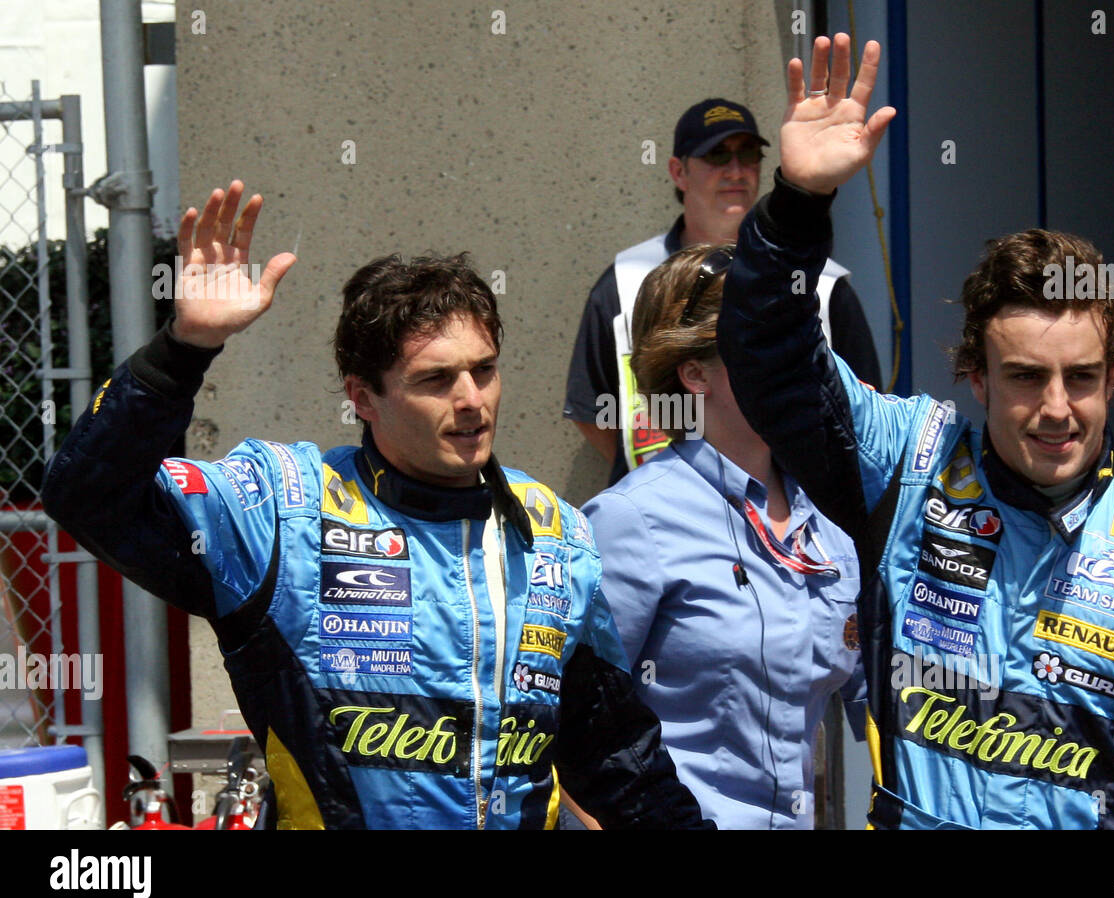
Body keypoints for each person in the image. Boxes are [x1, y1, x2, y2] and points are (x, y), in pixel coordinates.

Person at [715, 34, 1114, 829]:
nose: (1056, 408)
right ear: (976, 376)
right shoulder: (904, 465)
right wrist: (798, 204)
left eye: (1081, 377)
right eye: (1024, 377)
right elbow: (771, 359)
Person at [41, 181, 709, 830]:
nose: (472, 398)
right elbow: (87, 493)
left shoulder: (552, 532)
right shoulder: (281, 509)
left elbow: (620, 758)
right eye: (436, 379)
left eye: (485, 368)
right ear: (362, 397)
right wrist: (184, 350)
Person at [580, 245, 868, 828]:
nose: (793, 360)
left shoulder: (836, 521)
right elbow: (578, 733)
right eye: (761, 344)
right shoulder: (631, 519)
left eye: (796, 339)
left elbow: (888, 716)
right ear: (693, 372)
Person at [564, 97, 883, 484]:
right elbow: (593, 410)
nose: (736, 170)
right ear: (678, 172)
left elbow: (868, 408)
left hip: (797, 515)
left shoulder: (824, 285)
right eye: (717, 155)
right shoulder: (624, 281)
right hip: (664, 513)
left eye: (748, 154)